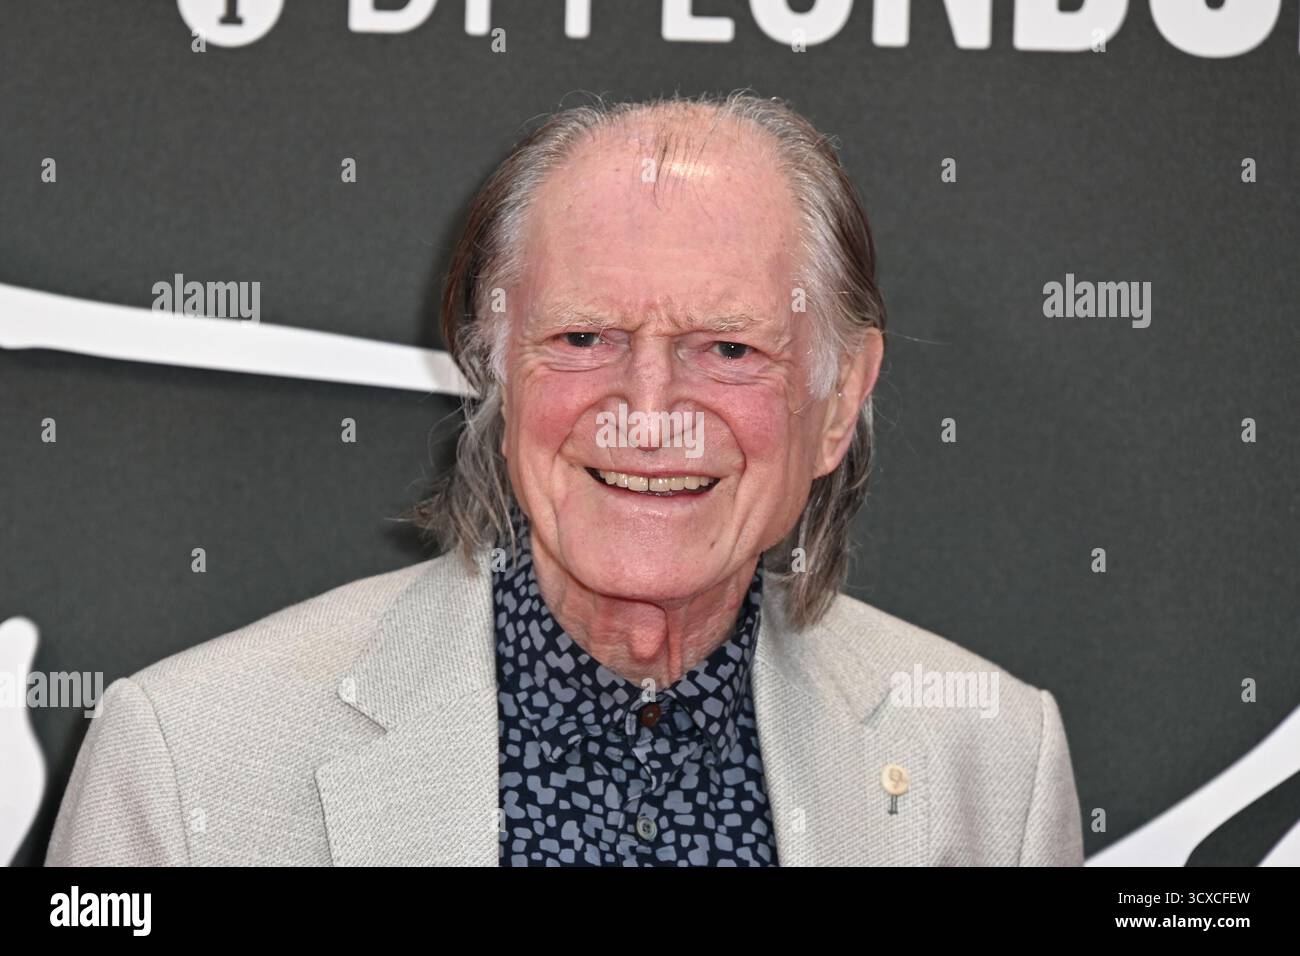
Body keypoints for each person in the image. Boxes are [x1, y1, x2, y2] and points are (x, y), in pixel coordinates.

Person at [46, 92, 1084, 866]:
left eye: (727, 347)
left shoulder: (989, 765)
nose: (648, 409)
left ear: (839, 399)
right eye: (582, 336)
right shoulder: (186, 759)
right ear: (496, 372)